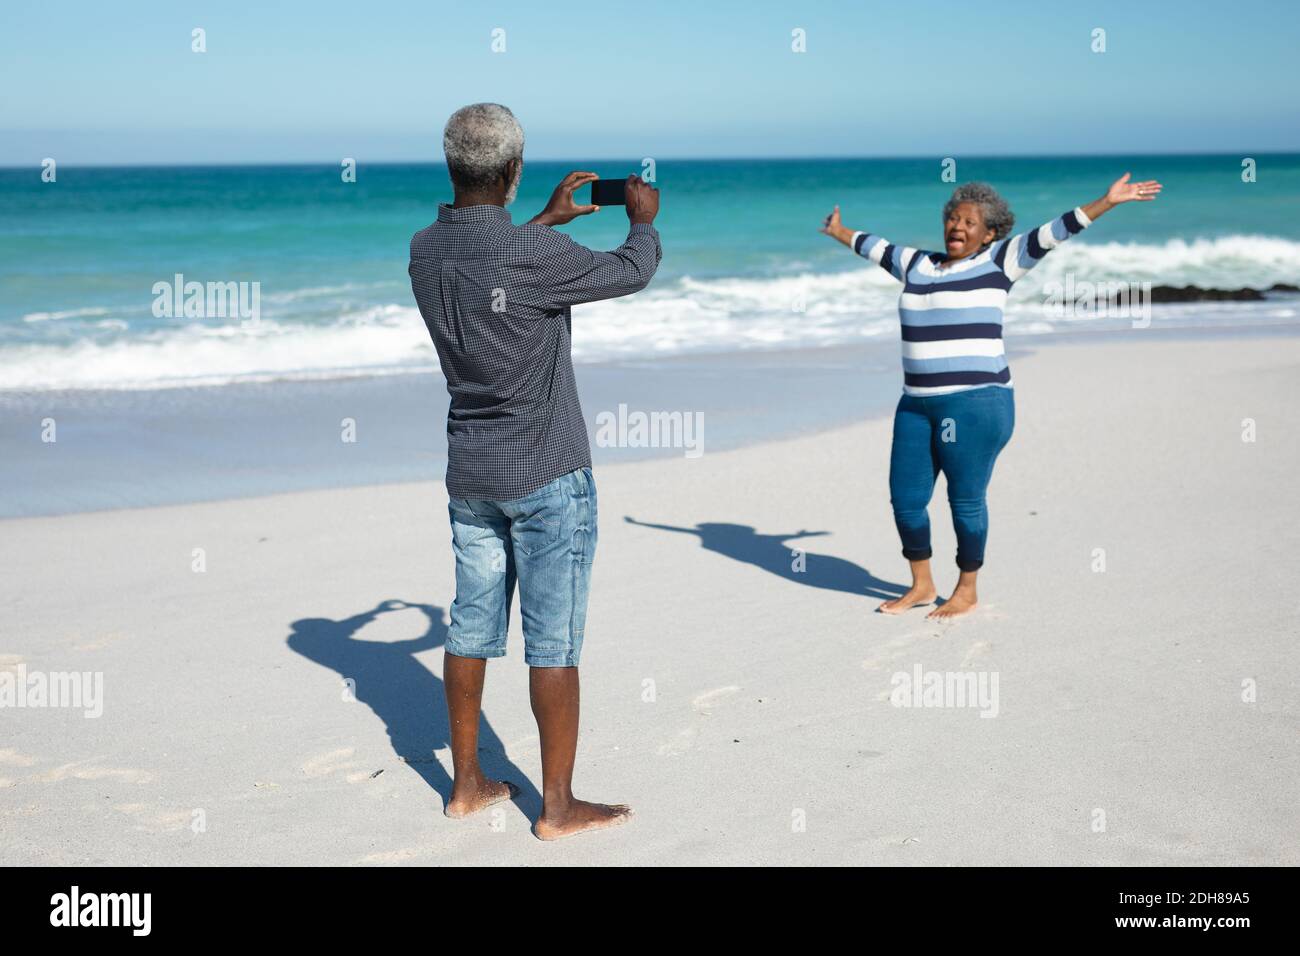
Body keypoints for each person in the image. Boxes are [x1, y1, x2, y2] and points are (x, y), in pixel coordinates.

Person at [408, 103, 661, 839]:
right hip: (548, 470)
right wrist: (641, 217)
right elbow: (632, 270)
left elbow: (491, 263)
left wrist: (545, 222)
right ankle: (555, 806)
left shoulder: (426, 248)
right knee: (552, 644)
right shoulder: (530, 257)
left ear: (452, 167)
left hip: (472, 473)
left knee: (469, 626)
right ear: (514, 173)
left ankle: (466, 786)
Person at [820, 173, 1161, 619]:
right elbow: (876, 247)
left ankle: (967, 589)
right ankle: (922, 584)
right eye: (952, 219)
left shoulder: (1001, 261)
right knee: (905, 500)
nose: (957, 227)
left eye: (968, 222)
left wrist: (1108, 202)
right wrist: (840, 231)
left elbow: (1054, 232)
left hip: (977, 402)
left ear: (989, 233)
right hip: (916, 405)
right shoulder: (917, 265)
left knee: (964, 499)